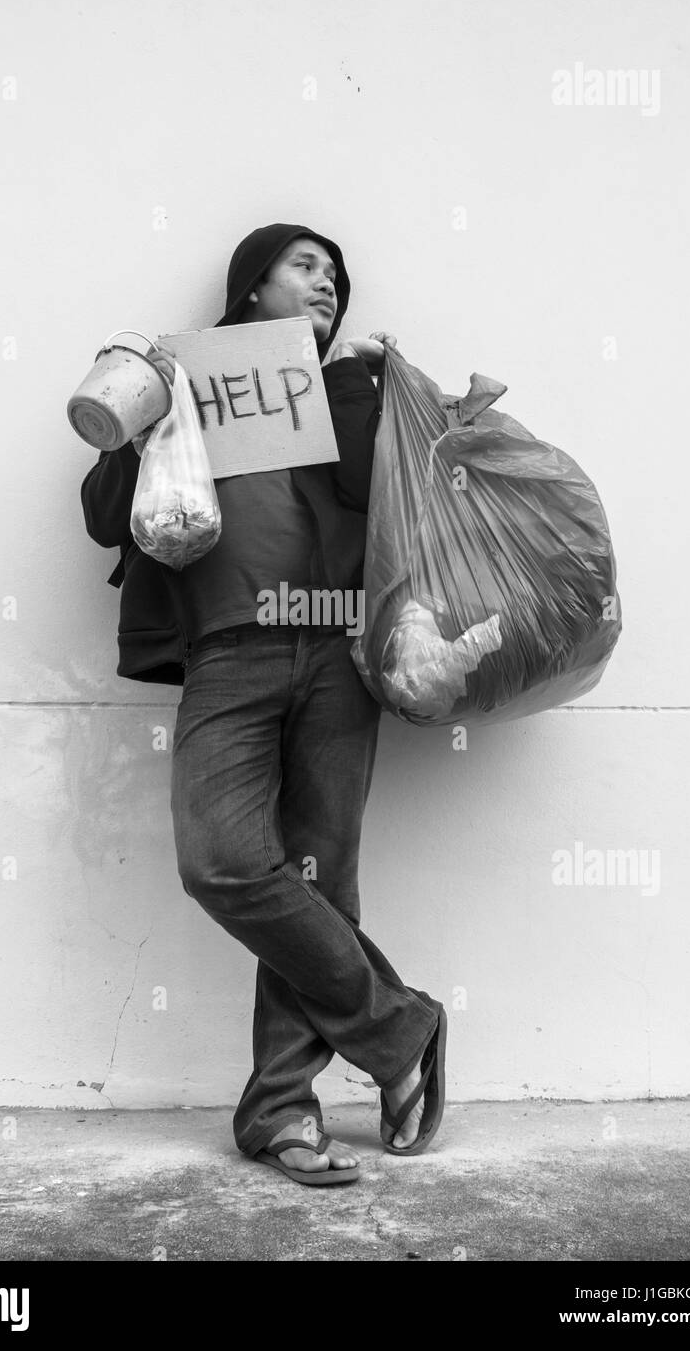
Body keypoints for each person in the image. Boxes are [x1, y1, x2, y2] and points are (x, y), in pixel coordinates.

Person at [80, 223, 446, 1186]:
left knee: (322, 877)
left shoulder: (343, 387)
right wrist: (140, 404)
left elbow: (382, 495)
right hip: (229, 651)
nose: (328, 285)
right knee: (221, 862)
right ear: (251, 288)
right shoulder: (193, 383)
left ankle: (282, 1111)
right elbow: (99, 514)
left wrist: (363, 385)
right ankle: (400, 1029)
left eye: (337, 276)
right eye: (305, 266)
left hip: (336, 649)